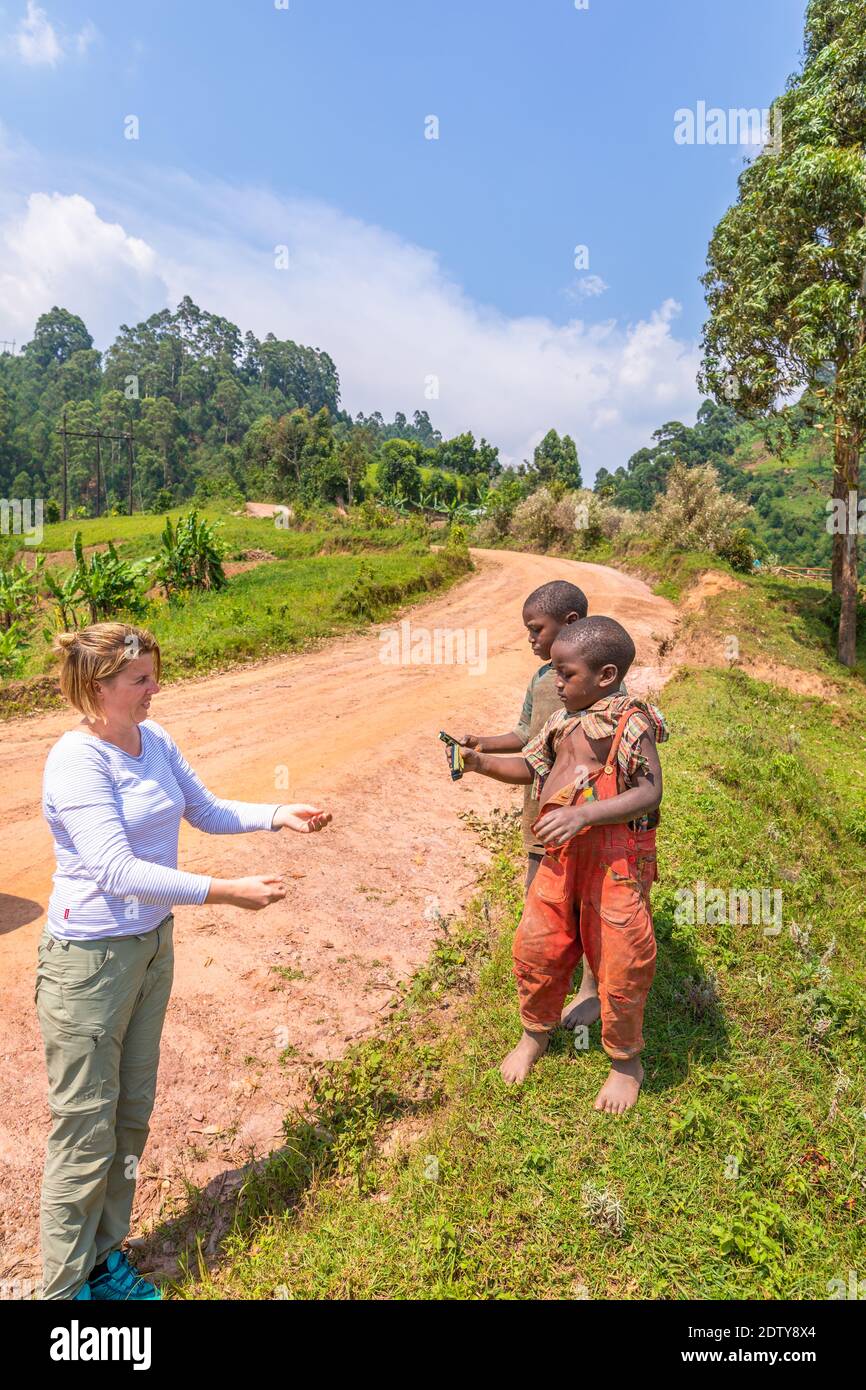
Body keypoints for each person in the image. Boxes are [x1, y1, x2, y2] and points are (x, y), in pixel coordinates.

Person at [36, 621, 332, 1300]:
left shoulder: (154, 739)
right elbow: (115, 869)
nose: (154, 688)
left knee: (131, 1116)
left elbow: (203, 809)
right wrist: (225, 892)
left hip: (149, 949)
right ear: (97, 686)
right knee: (84, 1130)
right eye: (140, 679)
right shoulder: (77, 760)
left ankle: (103, 1261)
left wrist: (277, 812)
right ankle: (61, 1294)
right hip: (90, 964)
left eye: (153, 675)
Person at [461, 616, 667, 1112]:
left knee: (622, 956)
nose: (556, 682)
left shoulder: (629, 722)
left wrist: (585, 815)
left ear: (606, 674)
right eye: (554, 672)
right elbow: (528, 768)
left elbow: (649, 791)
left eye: (566, 674)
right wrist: (479, 762)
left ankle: (625, 1062)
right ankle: (535, 1033)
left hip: (616, 860)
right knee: (538, 944)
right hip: (559, 859)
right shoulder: (559, 722)